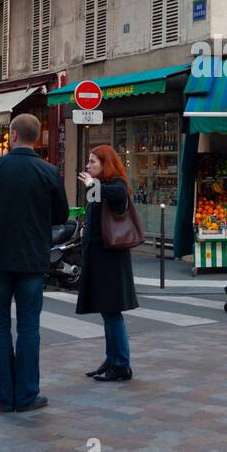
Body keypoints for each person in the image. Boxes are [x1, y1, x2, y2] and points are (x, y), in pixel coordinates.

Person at [0, 113, 68, 413]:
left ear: (12, 135)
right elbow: (60, 216)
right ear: (36, 137)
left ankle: (3, 395)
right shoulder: (49, 172)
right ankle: (26, 394)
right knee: (29, 327)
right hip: (31, 258)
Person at [75, 145, 140, 382]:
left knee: (112, 311)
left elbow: (118, 195)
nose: (88, 166)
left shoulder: (117, 185)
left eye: (93, 162)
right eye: (88, 161)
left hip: (111, 258)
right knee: (107, 311)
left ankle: (121, 364)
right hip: (98, 255)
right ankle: (112, 359)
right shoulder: (99, 186)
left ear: (105, 164)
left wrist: (93, 184)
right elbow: (93, 212)